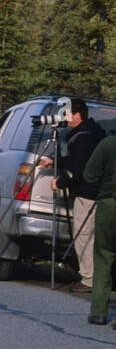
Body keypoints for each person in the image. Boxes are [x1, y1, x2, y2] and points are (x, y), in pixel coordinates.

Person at [39, 101, 105, 292]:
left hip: (87, 194)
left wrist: (59, 182)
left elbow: (79, 169)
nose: (64, 118)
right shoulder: (95, 133)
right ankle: (95, 276)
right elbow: (78, 160)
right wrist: (55, 161)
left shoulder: (82, 138)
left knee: (84, 236)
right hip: (100, 193)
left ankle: (88, 279)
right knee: (97, 237)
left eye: (66, 114)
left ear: (77, 115)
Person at [81, 132, 116, 325]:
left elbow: (89, 175)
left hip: (108, 204)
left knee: (103, 257)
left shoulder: (107, 144)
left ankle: (98, 311)